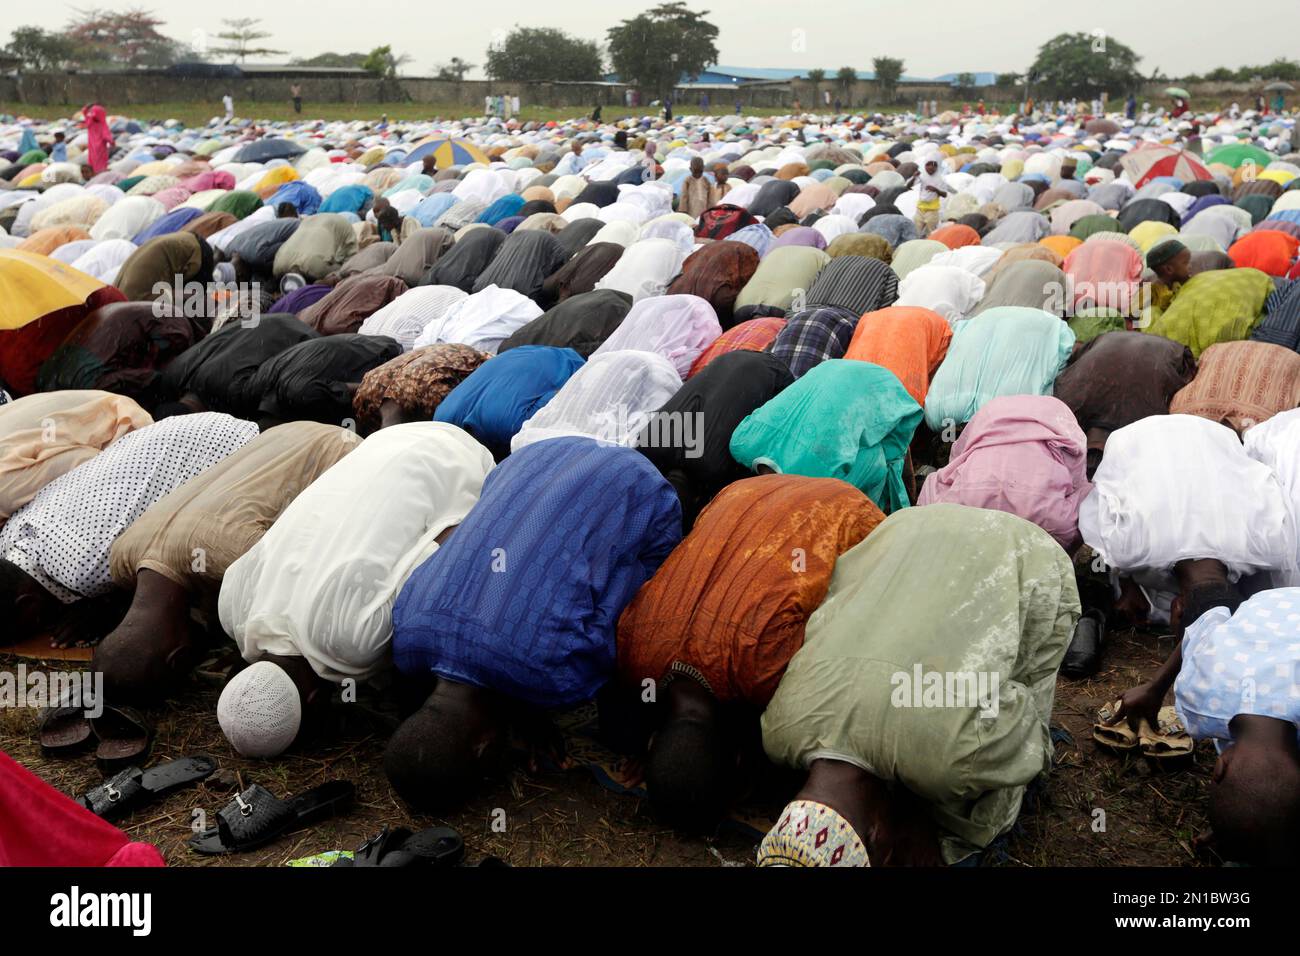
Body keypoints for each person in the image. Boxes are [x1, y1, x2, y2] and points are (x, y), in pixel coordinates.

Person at [758, 503, 1080, 865]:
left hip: (1028, 552)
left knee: (989, 807)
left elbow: (1024, 724)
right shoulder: (778, 731)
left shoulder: (953, 760)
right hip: (905, 529)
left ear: (879, 838)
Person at [384, 437, 682, 809]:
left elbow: (619, 609)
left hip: (637, 484)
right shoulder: (408, 634)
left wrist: (535, 697)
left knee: (633, 589)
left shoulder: (556, 675)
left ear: (483, 746)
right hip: (531, 458)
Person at [615, 474, 885, 829]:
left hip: (844, 508)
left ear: (741, 760)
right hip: (742, 493)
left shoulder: (761, 668)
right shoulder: (635, 650)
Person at [214, 423, 494, 757]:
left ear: (316, 700)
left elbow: (440, 550)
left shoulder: (350, 643)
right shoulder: (234, 609)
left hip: (451, 457)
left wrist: (492, 503)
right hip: (380, 446)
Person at [95, 422, 360, 702]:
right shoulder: (121, 556)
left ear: (180, 657)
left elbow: (307, 600)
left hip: (343, 453)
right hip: (285, 431)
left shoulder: (240, 556)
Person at [0, 414, 258, 649]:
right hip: (173, 433)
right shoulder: (8, 538)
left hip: (222, 447)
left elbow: (158, 572)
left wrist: (109, 610)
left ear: (28, 606)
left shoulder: (84, 569)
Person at [1081, 414, 1293, 639]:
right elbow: (1096, 515)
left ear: (1178, 608)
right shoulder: (1131, 552)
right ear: (1177, 608)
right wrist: (1126, 586)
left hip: (1215, 437)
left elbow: (1263, 483)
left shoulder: (1268, 548)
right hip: (1138, 439)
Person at [1170, 587, 1300, 864]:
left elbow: (1204, 624)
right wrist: (1153, 689)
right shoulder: (1197, 695)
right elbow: (1202, 625)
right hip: (1271, 609)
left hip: (1272, 606)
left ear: (1222, 762)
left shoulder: (1199, 698)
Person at [913, 159, 948, 237]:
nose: (931, 167)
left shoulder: (941, 179)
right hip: (920, 209)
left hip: (932, 210)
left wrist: (935, 190)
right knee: (916, 232)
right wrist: (914, 177)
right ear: (925, 166)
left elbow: (945, 194)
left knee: (931, 234)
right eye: (928, 165)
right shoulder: (921, 177)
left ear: (937, 168)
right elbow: (909, 186)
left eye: (934, 166)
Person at [678, 156, 720, 220]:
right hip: (691, 210)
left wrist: (711, 208)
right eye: (695, 171)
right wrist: (683, 210)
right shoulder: (688, 181)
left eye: (700, 171)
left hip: (704, 209)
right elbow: (684, 196)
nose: (697, 174)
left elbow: (711, 195)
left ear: (703, 168)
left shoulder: (706, 180)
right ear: (690, 169)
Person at [81, 103, 114, 175]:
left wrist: (88, 107)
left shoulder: (90, 122)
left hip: (92, 145)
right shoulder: (102, 123)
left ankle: (93, 173)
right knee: (100, 162)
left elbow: (84, 111)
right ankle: (100, 173)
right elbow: (106, 136)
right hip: (100, 147)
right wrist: (112, 142)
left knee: (92, 160)